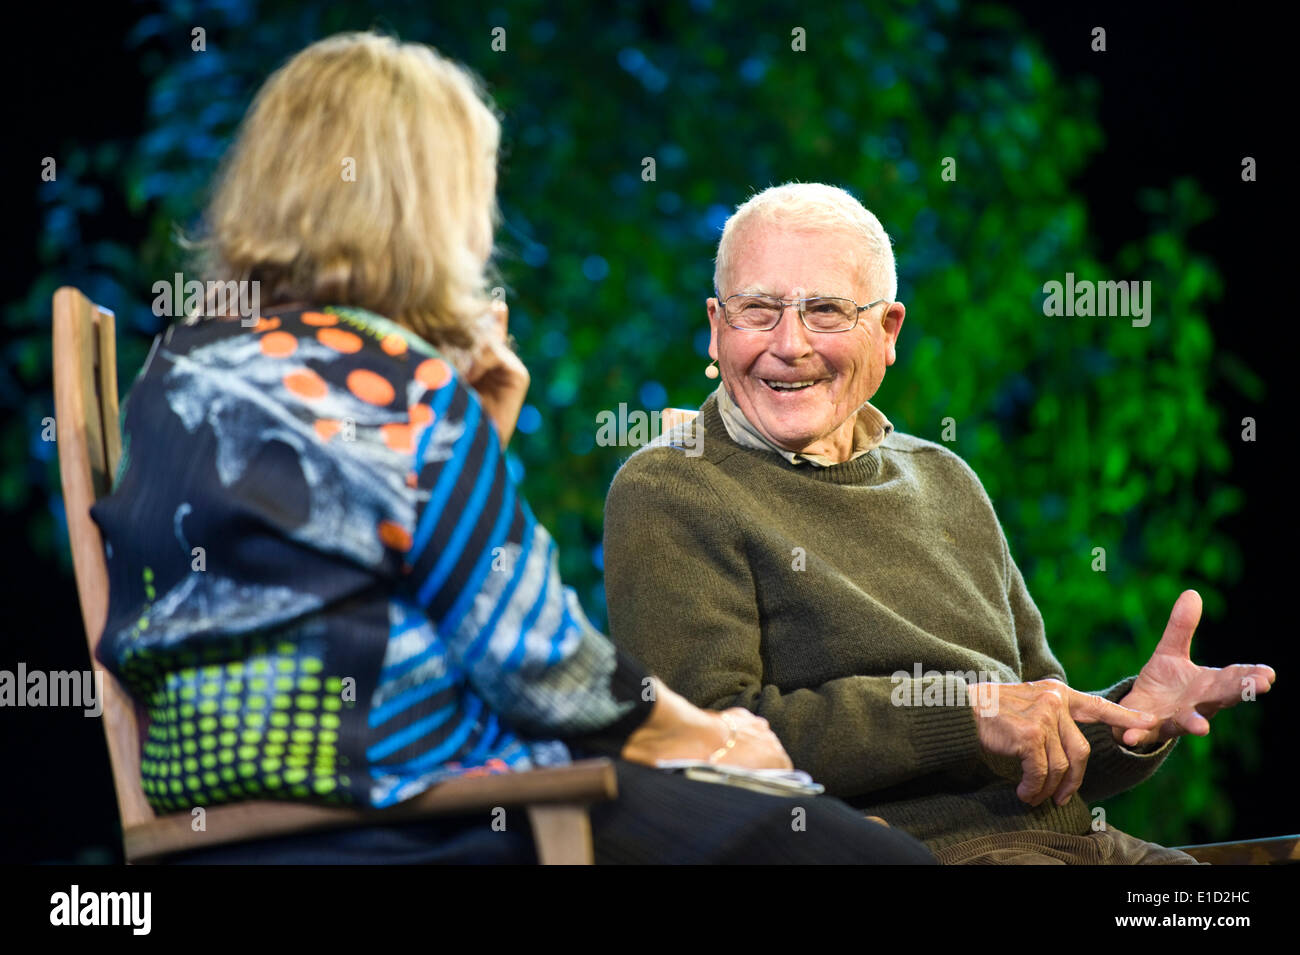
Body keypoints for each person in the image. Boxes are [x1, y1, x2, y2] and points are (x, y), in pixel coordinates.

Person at [91, 34, 934, 865]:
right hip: (412, 813)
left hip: (215, 822)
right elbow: (544, 665)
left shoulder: (183, 368)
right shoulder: (394, 380)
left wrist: (478, 427)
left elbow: (371, 564)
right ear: (425, 209)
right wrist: (714, 737)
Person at [602, 182, 1277, 865]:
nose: (790, 344)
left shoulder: (945, 478)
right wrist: (964, 715)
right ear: (718, 326)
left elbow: (1041, 744)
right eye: (759, 310)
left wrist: (1133, 719)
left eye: (827, 311)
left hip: (1080, 845)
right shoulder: (672, 486)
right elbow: (704, 746)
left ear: (887, 331)